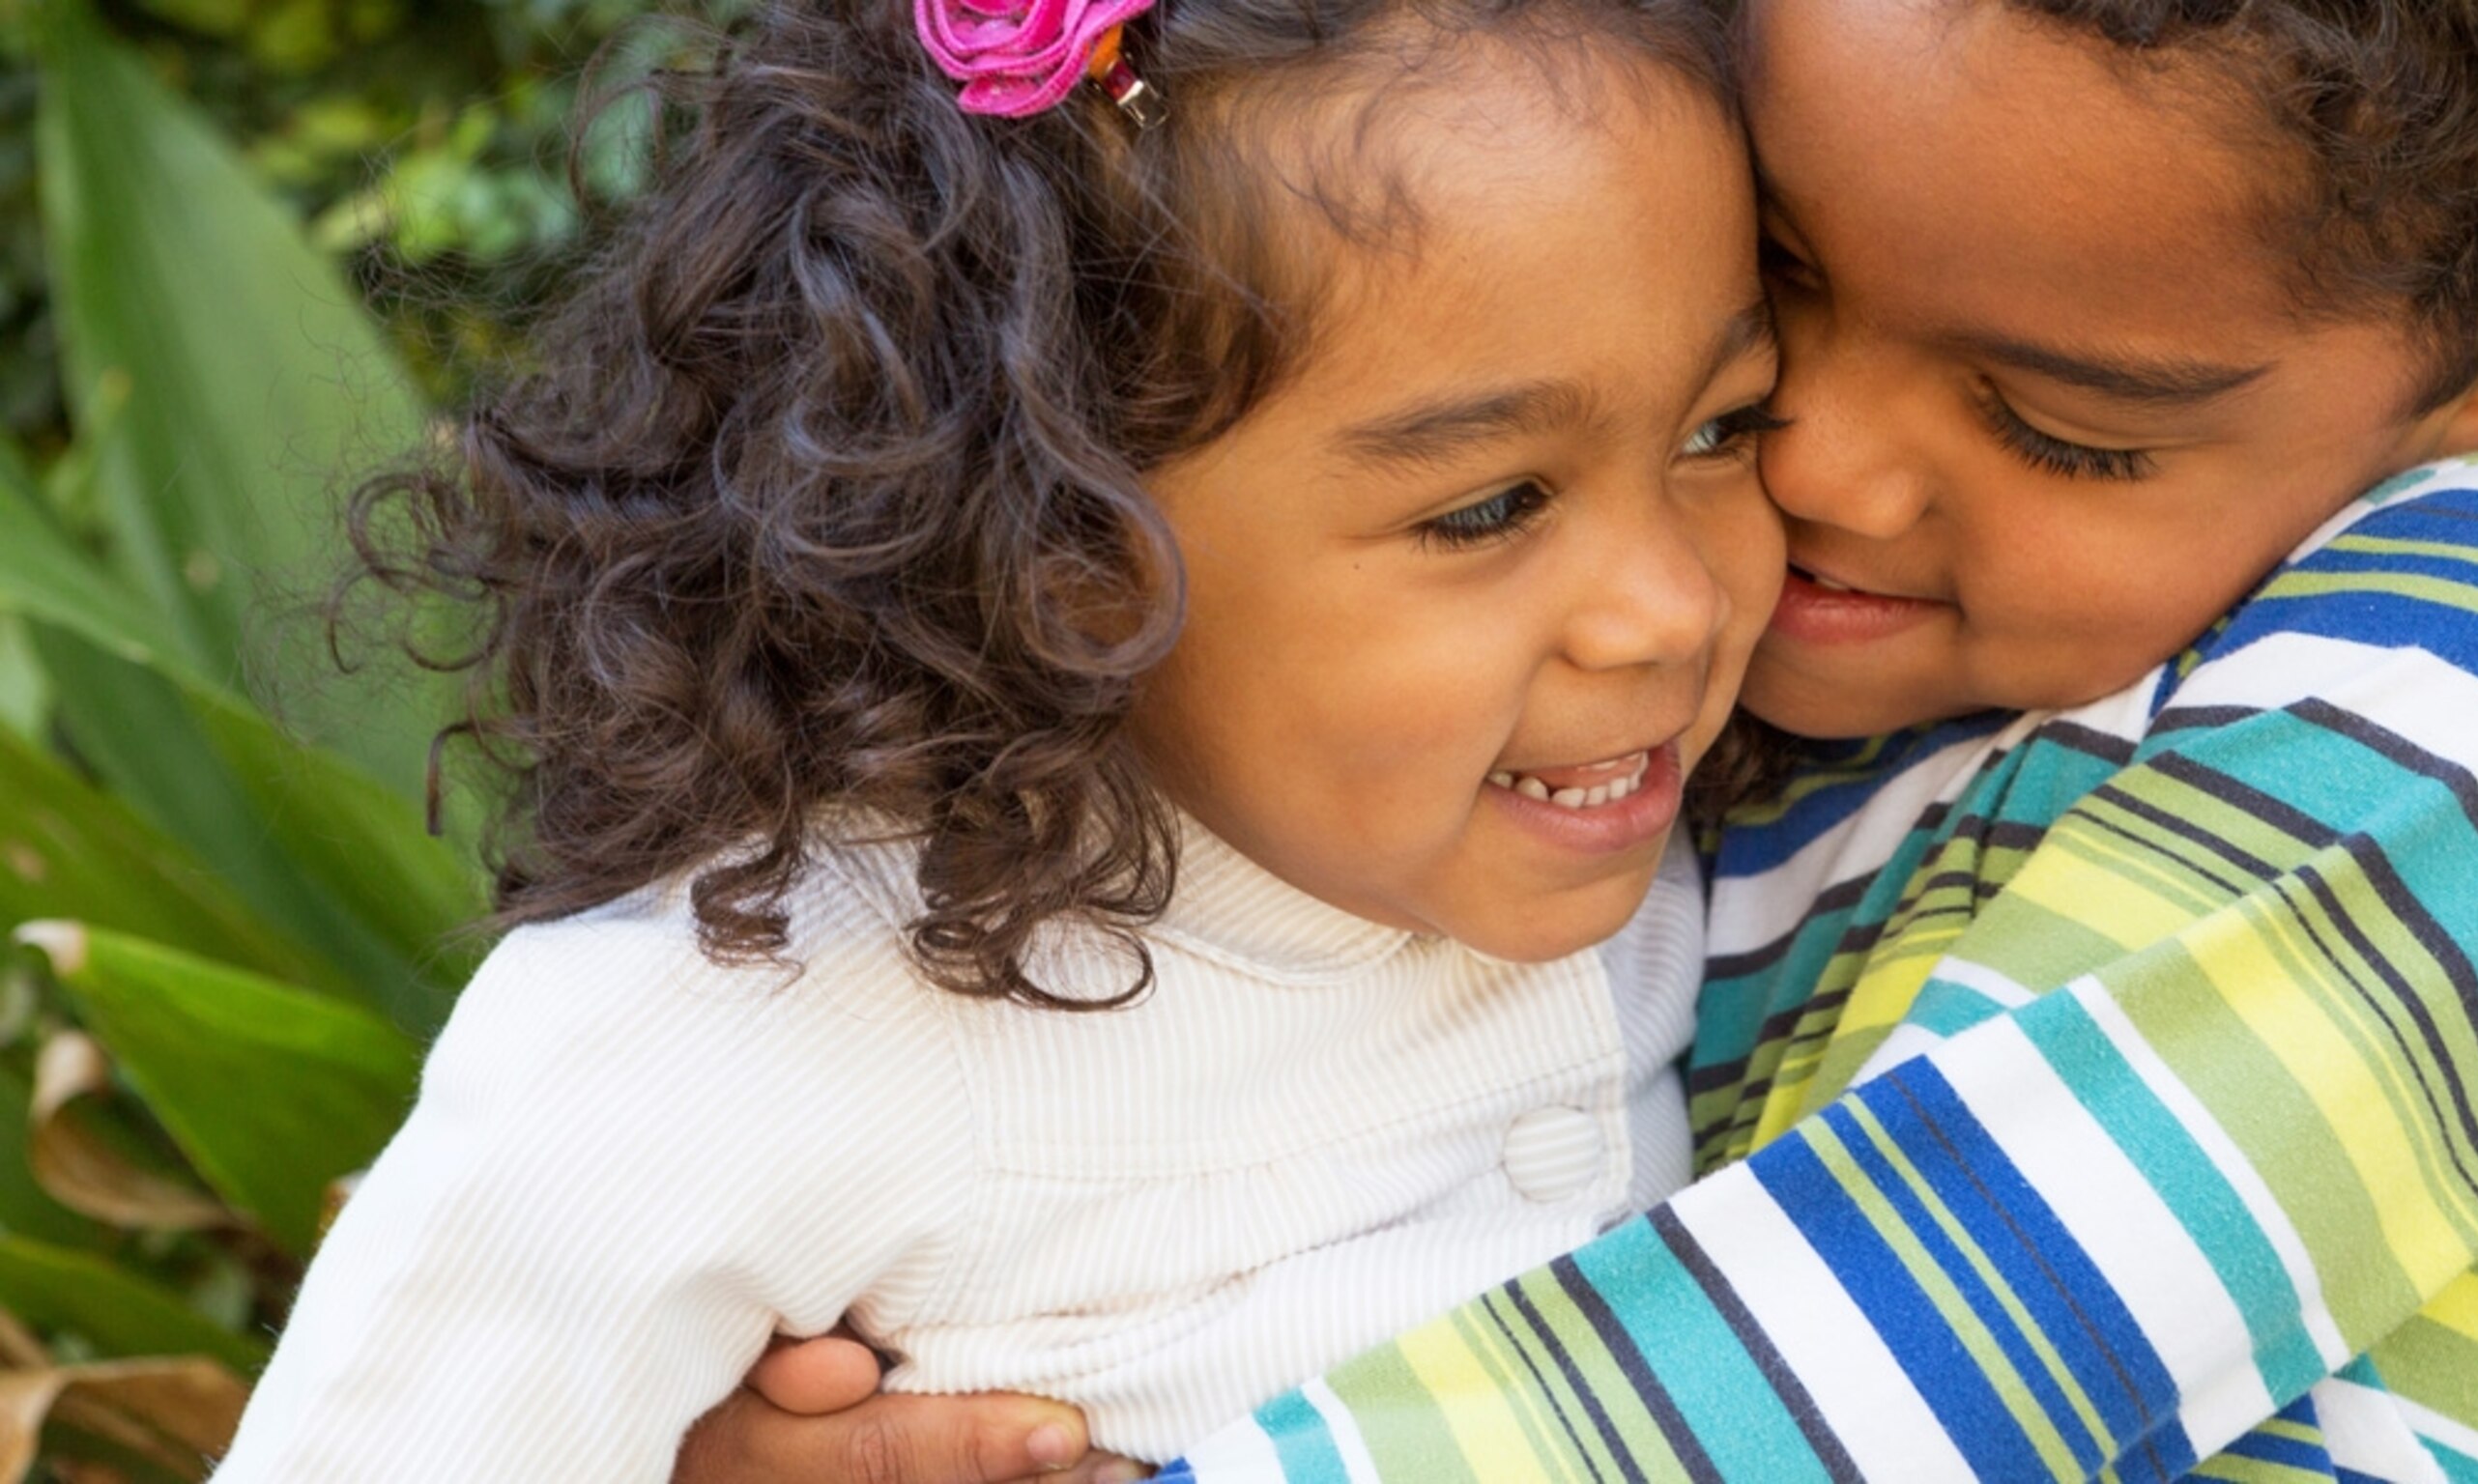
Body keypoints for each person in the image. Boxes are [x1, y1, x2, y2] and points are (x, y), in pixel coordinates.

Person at [694, 0, 2478, 1480]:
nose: (1826, 466)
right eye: (1767, 287)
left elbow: (1912, 1354)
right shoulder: (1649, 740)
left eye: (2068, 430)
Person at [206, 0, 1791, 1471]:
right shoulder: (752, 1029)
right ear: (1065, 554)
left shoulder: (1739, 800)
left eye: (1720, 429)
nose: (1669, 606)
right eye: (1489, 508)